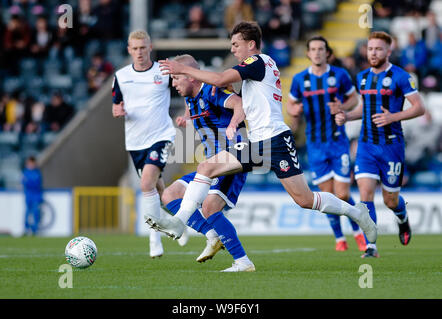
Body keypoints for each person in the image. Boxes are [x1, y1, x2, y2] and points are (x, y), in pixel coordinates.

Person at [148, 21, 377, 267]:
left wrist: (185, 69)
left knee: (305, 200)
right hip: (257, 143)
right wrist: (235, 117)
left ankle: (356, 212)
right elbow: (238, 96)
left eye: (236, 44)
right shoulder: (254, 70)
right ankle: (185, 224)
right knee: (206, 168)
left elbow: (220, 77)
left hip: (276, 140)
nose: (233, 49)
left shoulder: (258, 62)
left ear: (251, 44)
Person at [155, 54, 254, 272]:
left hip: (233, 158)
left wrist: (235, 124)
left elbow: (239, 103)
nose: (173, 84)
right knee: (169, 195)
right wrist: (186, 117)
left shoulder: (213, 90)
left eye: (176, 78)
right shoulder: (190, 97)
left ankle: (243, 262)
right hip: (210, 166)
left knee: (209, 207)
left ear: (190, 76)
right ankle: (211, 235)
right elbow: (195, 109)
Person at [335, 31, 426, 258]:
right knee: (365, 195)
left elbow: (419, 107)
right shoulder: (363, 76)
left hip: (391, 146)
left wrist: (392, 117)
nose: (373, 53)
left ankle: (402, 219)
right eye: (370, 48)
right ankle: (371, 245)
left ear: (388, 51)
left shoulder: (401, 76)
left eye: (378, 49)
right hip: (366, 145)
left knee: (390, 200)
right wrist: (346, 116)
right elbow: (363, 110)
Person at [286, 36, 367, 252]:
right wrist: (293, 111)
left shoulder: (339, 75)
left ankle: (358, 233)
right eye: (313, 49)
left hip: (338, 141)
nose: (317, 52)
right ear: (308, 53)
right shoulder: (299, 79)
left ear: (327, 52)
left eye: (321, 49)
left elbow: (353, 99)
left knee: (341, 194)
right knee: (326, 196)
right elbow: (291, 106)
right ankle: (340, 239)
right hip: (315, 144)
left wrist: (342, 106)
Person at [112, 30, 176, 258]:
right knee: (158, 189)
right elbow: (116, 104)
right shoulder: (120, 76)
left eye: (143, 48)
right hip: (136, 142)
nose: (139, 52)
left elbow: (187, 88)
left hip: (161, 136)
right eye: (135, 48)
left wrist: (189, 113)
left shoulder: (164, 71)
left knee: (147, 183)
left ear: (150, 48)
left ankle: (154, 237)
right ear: (129, 50)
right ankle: (172, 223)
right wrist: (117, 110)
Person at [22, 156, 43, 235]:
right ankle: (26, 229)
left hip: (36, 196)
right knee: (27, 212)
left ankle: (35, 230)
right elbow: (25, 183)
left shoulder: (37, 172)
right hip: (28, 196)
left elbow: (37, 184)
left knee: (35, 212)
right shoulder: (26, 172)